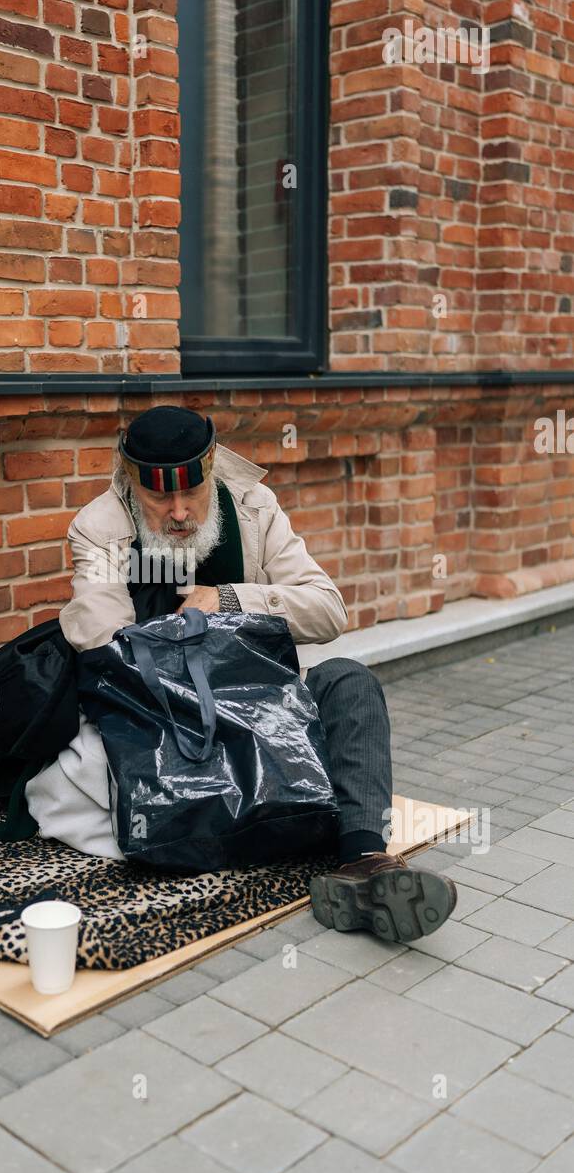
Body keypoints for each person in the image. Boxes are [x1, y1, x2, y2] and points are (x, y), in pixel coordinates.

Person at [56, 404, 457, 944]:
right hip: (166, 715)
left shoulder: (253, 505)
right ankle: (271, 826)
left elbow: (327, 609)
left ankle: (363, 862)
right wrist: (183, 648)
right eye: (160, 498)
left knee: (349, 680)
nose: (179, 513)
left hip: (264, 702)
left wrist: (225, 600)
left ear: (213, 465)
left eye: (191, 493)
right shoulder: (99, 527)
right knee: (82, 760)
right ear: (131, 481)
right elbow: (105, 646)